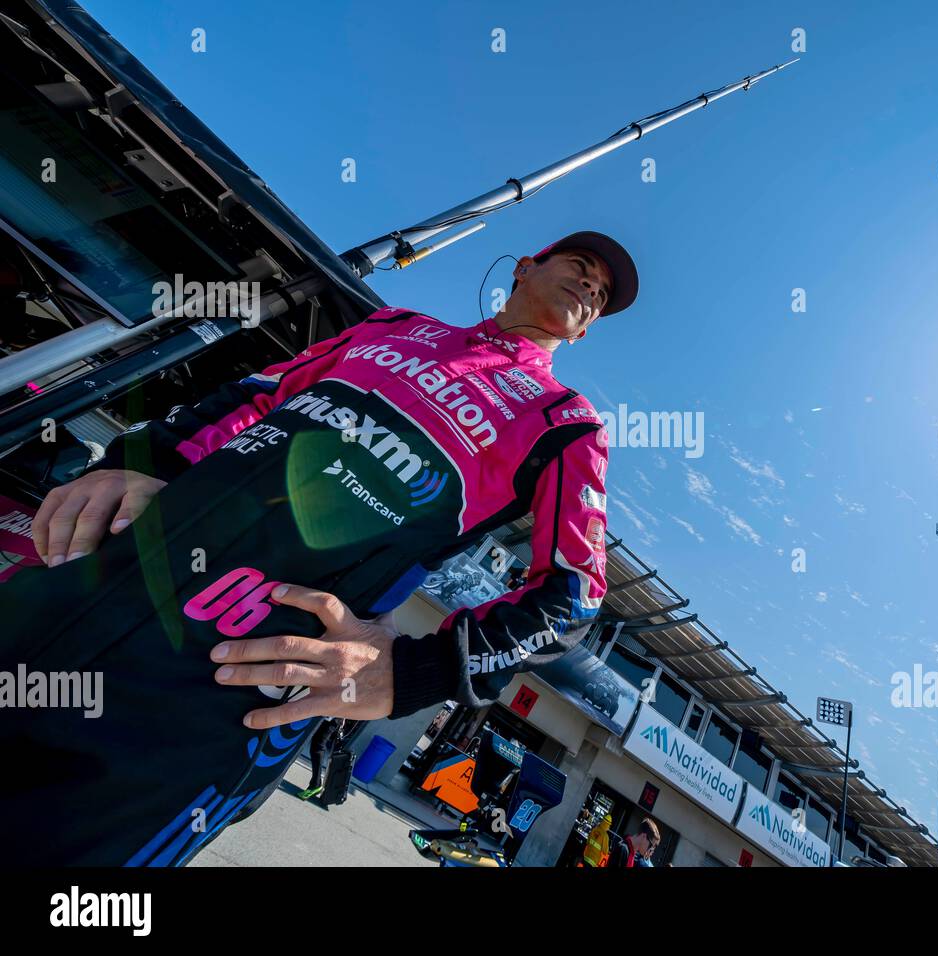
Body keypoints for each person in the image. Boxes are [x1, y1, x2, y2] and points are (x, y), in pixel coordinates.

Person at [0, 232, 637, 866]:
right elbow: (253, 395)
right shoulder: (394, 325)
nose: (589, 287)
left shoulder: (565, 423)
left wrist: (415, 671)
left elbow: (573, 596)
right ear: (525, 266)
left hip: (222, 684)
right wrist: (135, 462)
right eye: (580, 268)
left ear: (583, 333)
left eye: (600, 295)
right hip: (80, 587)